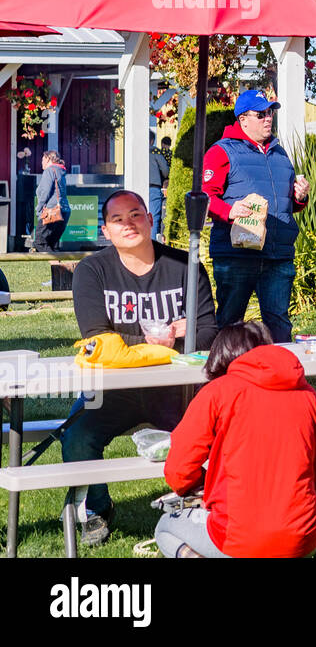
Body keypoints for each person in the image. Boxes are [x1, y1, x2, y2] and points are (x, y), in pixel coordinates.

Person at [63, 189, 218, 546]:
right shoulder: (92, 271)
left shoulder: (186, 266)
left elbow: (209, 331)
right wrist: (171, 336)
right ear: (106, 230)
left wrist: (137, 340)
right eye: (117, 219)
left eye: (135, 214)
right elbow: (97, 338)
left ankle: (206, 502)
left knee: (216, 429)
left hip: (177, 388)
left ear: (150, 218)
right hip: (113, 389)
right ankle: (95, 510)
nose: (128, 224)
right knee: (77, 437)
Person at [155, 321, 316, 558]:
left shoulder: (217, 392)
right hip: (303, 537)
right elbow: (315, 475)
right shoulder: (309, 395)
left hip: (237, 539)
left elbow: (178, 472)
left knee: (164, 528)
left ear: (221, 356)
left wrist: (202, 485)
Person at [202, 89, 310, 343]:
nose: (268, 118)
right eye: (260, 114)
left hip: (277, 254)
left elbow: (286, 204)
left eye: (270, 112)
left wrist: (300, 197)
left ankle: (279, 378)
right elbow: (204, 197)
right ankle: (224, 377)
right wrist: (229, 211)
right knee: (230, 321)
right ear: (243, 119)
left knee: (279, 323)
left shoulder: (279, 154)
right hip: (237, 255)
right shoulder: (221, 152)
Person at [33, 150, 71, 252]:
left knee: (39, 242)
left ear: (49, 159)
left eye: (43, 159)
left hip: (52, 212)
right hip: (64, 211)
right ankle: (59, 266)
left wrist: (39, 208)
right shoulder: (60, 170)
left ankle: (58, 264)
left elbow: (45, 192)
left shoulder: (50, 170)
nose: (41, 162)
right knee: (51, 244)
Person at [148, 132, 170, 240]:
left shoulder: (134, 150)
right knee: (153, 218)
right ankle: (151, 245)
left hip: (135, 188)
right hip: (153, 188)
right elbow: (165, 170)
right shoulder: (155, 151)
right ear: (152, 140)